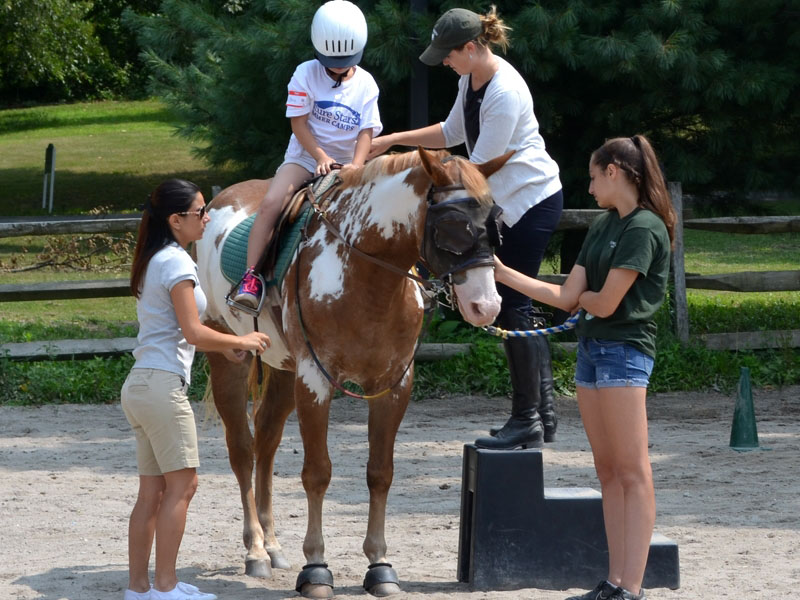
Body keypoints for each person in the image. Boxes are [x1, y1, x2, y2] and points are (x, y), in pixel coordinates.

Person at [369, 6, 562, 449]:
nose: (444, 62)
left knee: (512, 302)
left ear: (471, 48)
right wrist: (393, 139)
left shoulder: (505, 93)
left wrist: (419, 184)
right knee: (519, 302)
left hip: (528, 201)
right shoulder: (469, 79)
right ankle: (544, 414)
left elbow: (474, 172)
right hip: (501, 201)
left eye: (448, 55)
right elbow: (452, 130)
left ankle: (526, 418)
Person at [492, 135, 676, 600]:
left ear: (614, 170)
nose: (590, 187)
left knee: (632, 471)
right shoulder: (602, 226)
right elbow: (566, 297)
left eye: (594, 176)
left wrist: (587, 303)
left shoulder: (644, 227)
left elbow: (605, 301)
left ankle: (630, 588)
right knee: (608, 471)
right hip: (593, 350)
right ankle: (614, 582)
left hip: (623, 352)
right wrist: (497, 271)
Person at [122, 178, 271, 600]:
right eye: (199, 212)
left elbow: (186, 332)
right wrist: (240, 341)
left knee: (152, 491)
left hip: (142, 384)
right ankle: (165, 586)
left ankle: (140, 588)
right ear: (175, 220)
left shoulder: (156, 259)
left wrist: (226, 349)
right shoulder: (178, 264)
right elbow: (193, 330)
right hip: (162, 386)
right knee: (183, 487)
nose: (207, 218)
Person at [233, 0, 382, 309]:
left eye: (346, 59)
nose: (339, 65)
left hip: (350, 163)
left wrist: (356, 165)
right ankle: (251, 278)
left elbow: (367, 131)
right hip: (305, 157)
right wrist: (319, 157)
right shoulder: (305, 73)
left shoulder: (366, 83)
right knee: (271, 203)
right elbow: (298, 124)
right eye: (332, 59)